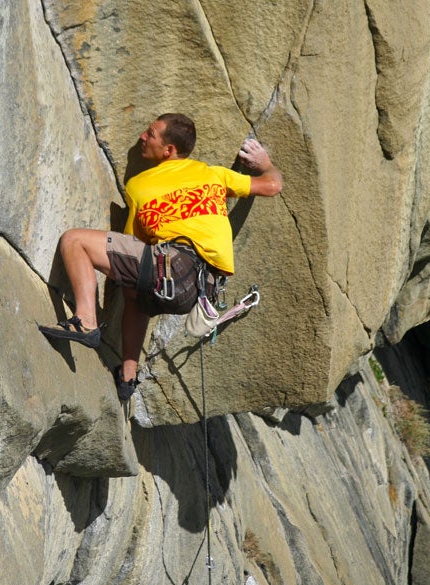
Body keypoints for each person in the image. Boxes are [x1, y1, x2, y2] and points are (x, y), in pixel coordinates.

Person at [41, 114, 282, 400]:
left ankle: (85, 321)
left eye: (150, 134)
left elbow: (134, 242)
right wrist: (264, 164)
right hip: (194, 290)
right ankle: (128, 376)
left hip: (172, 267)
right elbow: (272, 184)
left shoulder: (142, 185)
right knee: (136, 293)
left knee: (75, 241)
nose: (142, 137)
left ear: (169, 150)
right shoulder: (214, 175)